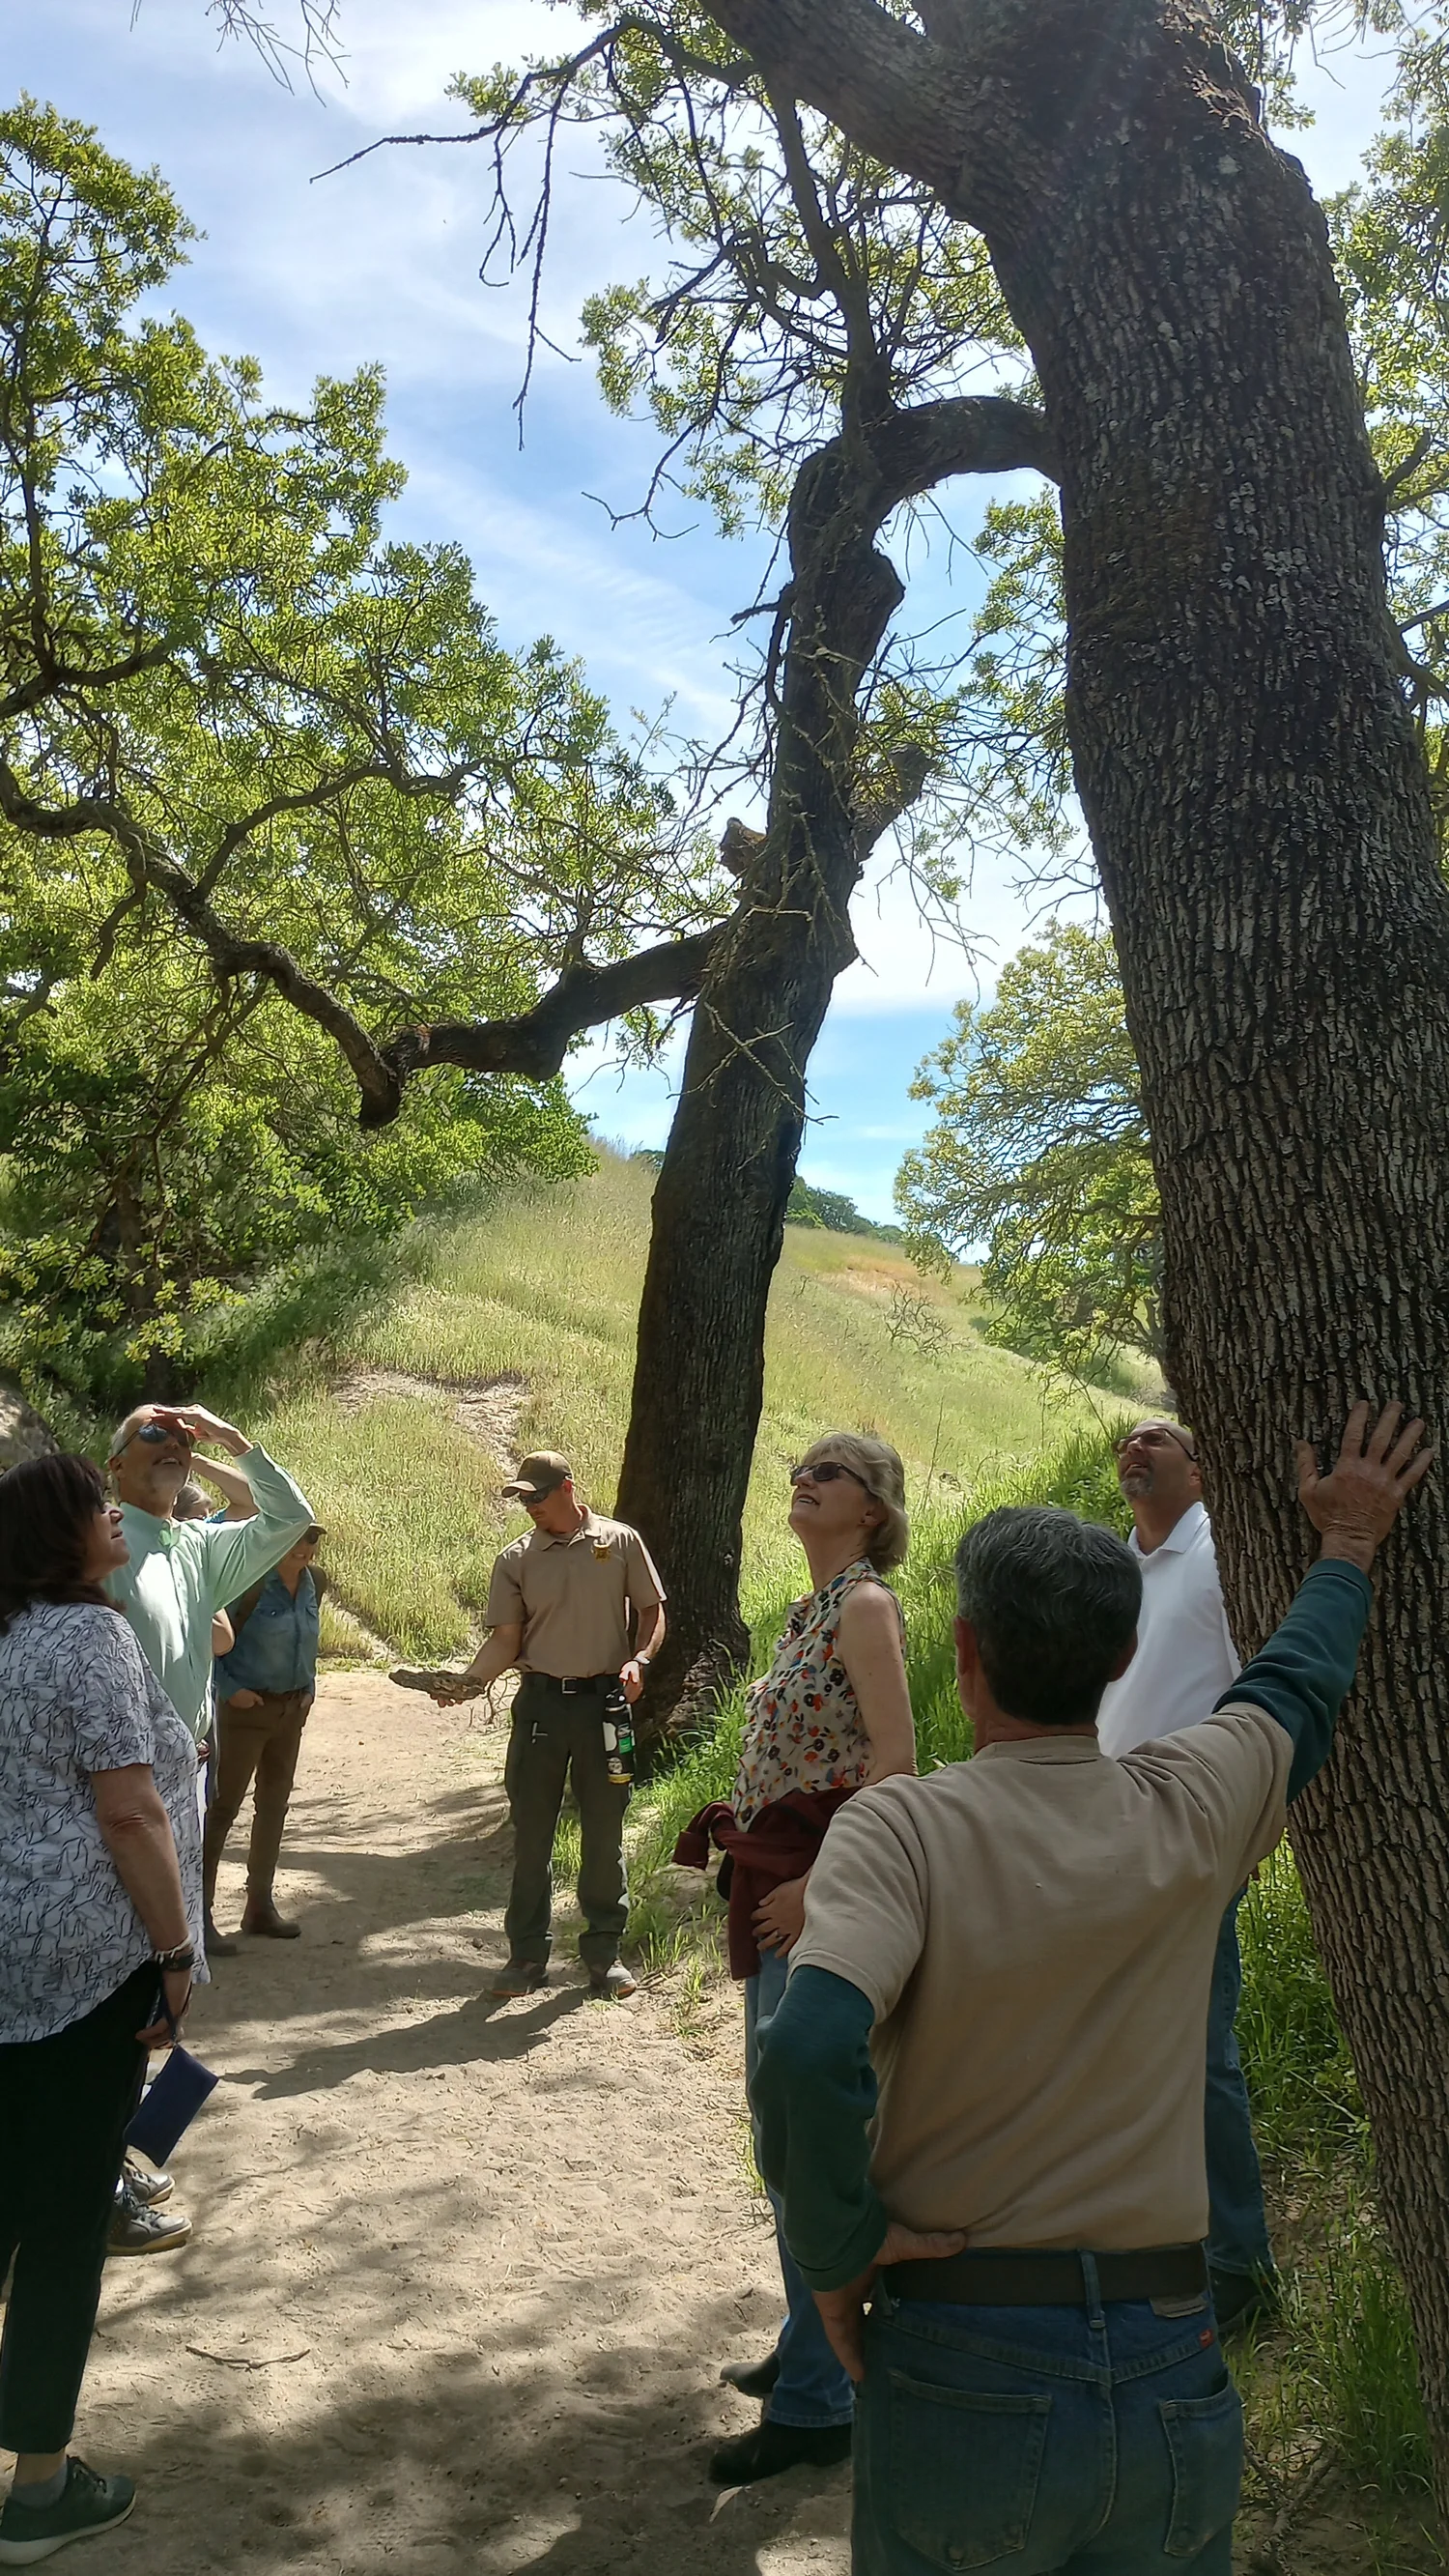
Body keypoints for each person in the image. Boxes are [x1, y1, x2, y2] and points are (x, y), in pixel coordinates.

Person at [754, 1402, 1431, 2575]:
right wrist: (1351, 1541)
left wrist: (840, 2251)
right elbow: (1297, 1682)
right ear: (1120, 1660)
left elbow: (806, 2051)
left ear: (965, 1649)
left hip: (960, 2349)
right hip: (1173, 2357)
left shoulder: (900, 1829)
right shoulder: (1191, 1804)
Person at [674, 1434, 917, 2489]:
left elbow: (897, 1763)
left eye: (832, 1471)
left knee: (801, 2141)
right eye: (801, 1468)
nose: (805, 1478)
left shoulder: (864, 1606)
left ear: (873, 1508)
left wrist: (818, 1885)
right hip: (781, 1881)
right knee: (780, 2136)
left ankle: (820, 2401)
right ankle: (806, 2336)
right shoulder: (808, 1609)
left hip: (819, 1894)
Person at [0, 1454, 202, 2564]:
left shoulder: (7, 1634)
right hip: (81, 1967)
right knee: (66, 2220)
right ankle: (38, 2490)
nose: (114, 1512)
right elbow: (130, 1810)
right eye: (95, 1503)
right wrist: (173, 1952)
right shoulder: (88, 1635)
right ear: (57, 1533)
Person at [1095, 1417, 1274, 2331]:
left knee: (1198, 2051)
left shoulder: (1221, 1561)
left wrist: (1248, 1835)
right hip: (1101, 1837)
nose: (1135, 1447)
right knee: (1115, 2050)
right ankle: (1150, 2245)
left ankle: (1239, 2265)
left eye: (1158, 1438)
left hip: (1191, 1838)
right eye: (1126, 1440)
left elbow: (1259, 1707)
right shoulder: (1114, 1569)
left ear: (1201, 1471)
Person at [422, 1452, 665, 2001]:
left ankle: (604, 1953)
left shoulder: (620, 1541)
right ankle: (527, 1955)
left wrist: (640, 1660)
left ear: (567, 1488)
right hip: (541, 1706)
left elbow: (652, 1612)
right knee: (532, 1833)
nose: (529, 1506)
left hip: (606, 1705)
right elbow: (505, 1641)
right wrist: (467, 1684)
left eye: (536, 1495)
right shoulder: (516, 1559)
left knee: (604, 1830)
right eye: (522, 1499)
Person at [105, 1401, 312, 1952]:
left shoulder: (197, 1545)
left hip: (186, 1772)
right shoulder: (101, 1545)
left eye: (184, 1439)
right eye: (155, 1434)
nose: (174, 1443)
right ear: (117, 1464)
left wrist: (232, 1440)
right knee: (127, 1929)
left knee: (172, 1933)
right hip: (119, 1776)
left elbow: (290, 1518)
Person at [203, 1528, 327, 1941]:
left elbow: (307, 1642)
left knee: (273, 1807)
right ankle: (199, 1912)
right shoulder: (248, 1584)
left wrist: (309, 1685)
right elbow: (205, 1642)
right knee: (222, 1810)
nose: (304, 1548)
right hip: (244, 1713)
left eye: (311, 1540)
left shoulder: (314, 1583)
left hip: (290, 1713)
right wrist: (228, 1689)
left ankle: (259, 1906)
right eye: (296, 1538)